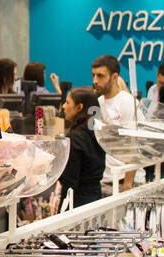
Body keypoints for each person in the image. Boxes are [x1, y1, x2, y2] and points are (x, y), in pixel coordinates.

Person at [91, 54, 139, 192]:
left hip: (125, 179)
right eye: (93, 75)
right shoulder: (98, 103)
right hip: (105, 179)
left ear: (114, 77)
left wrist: (128, 184)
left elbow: (134, 143)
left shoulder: (128, 102)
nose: (95, 80)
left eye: (100, 76)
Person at [54, 87, 105, 209]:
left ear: (79, 107)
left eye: (67, 102)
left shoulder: (75, 139)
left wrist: (63, 211)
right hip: (96, 198)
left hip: (78, 202)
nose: (64, 107)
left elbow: (70, 183)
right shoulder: (98, 133)